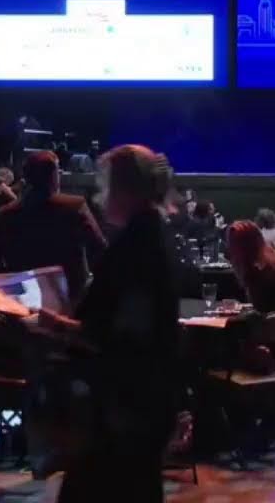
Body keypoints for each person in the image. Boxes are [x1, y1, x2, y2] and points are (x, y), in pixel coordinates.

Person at [30, 145, 180, 503]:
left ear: (126, 189)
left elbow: (118, 335)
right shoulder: (154, 235)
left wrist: (55, 325)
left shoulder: (136, 247)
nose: (101, 195)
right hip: (145, 401)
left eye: (106, 184)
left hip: (122, 407)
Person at [0, 151, 108, 304]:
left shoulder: (4, 214)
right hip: (71, 299)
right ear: (54, 176)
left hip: (25, 300)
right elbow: (99, 250)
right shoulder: (75, 206)